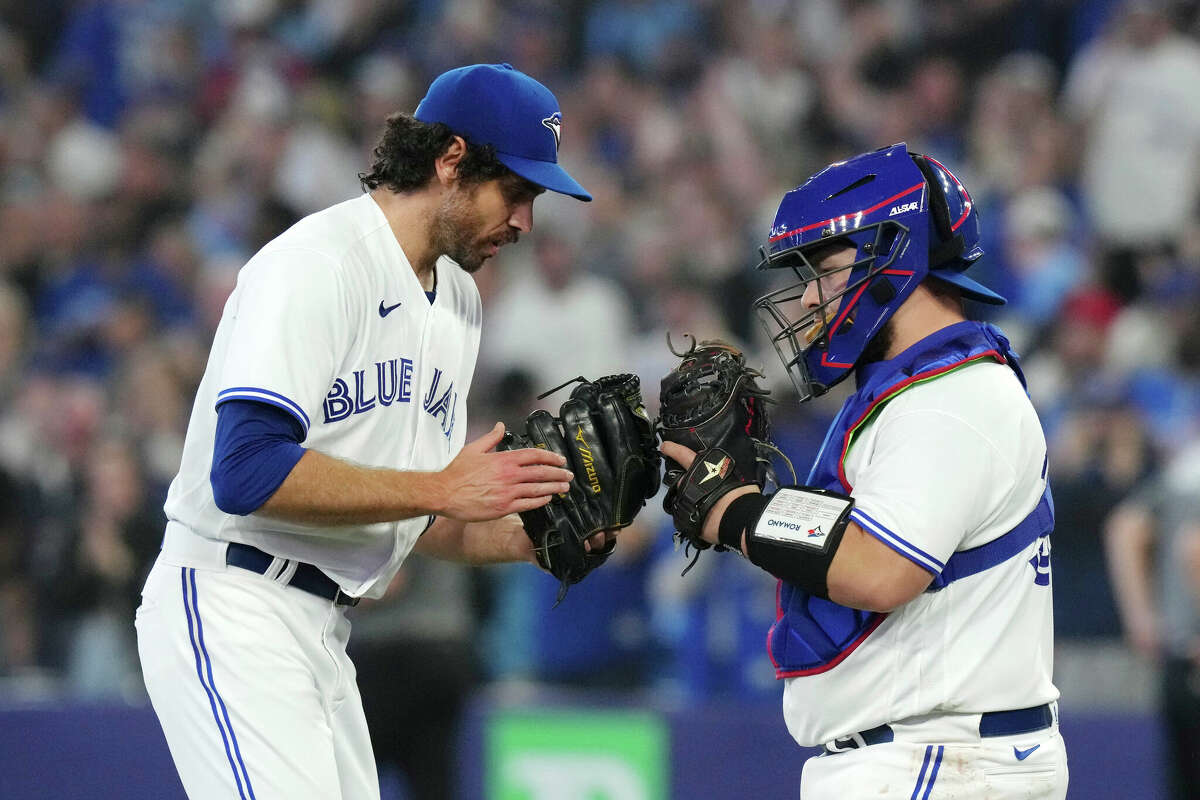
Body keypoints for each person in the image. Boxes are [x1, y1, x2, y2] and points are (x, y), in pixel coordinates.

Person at [134, 63, 592, 800]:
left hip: (327, 630)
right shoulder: (318, 264)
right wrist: (443, 487)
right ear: (450, 160)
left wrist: (537, 542)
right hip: (233, 599)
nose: (525, 221)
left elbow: (405, 511)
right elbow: (246, 471)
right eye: (516, 190)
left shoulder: (461, 305)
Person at [660, 143, 1068, 798]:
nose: (806, 300)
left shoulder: (950, 399)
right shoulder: (925, 389)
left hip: (938, 757)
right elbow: (859, 533)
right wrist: (748, 503)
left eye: (826, 271)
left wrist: (735, 514)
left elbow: (880, 570)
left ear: (895, 257)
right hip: (929, 754)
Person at [1105, 439, 1200, 800]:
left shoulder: (1185, 467)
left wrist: (1141, 620)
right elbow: (1194, 549)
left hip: (1178, 653)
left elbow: (1124, 528)